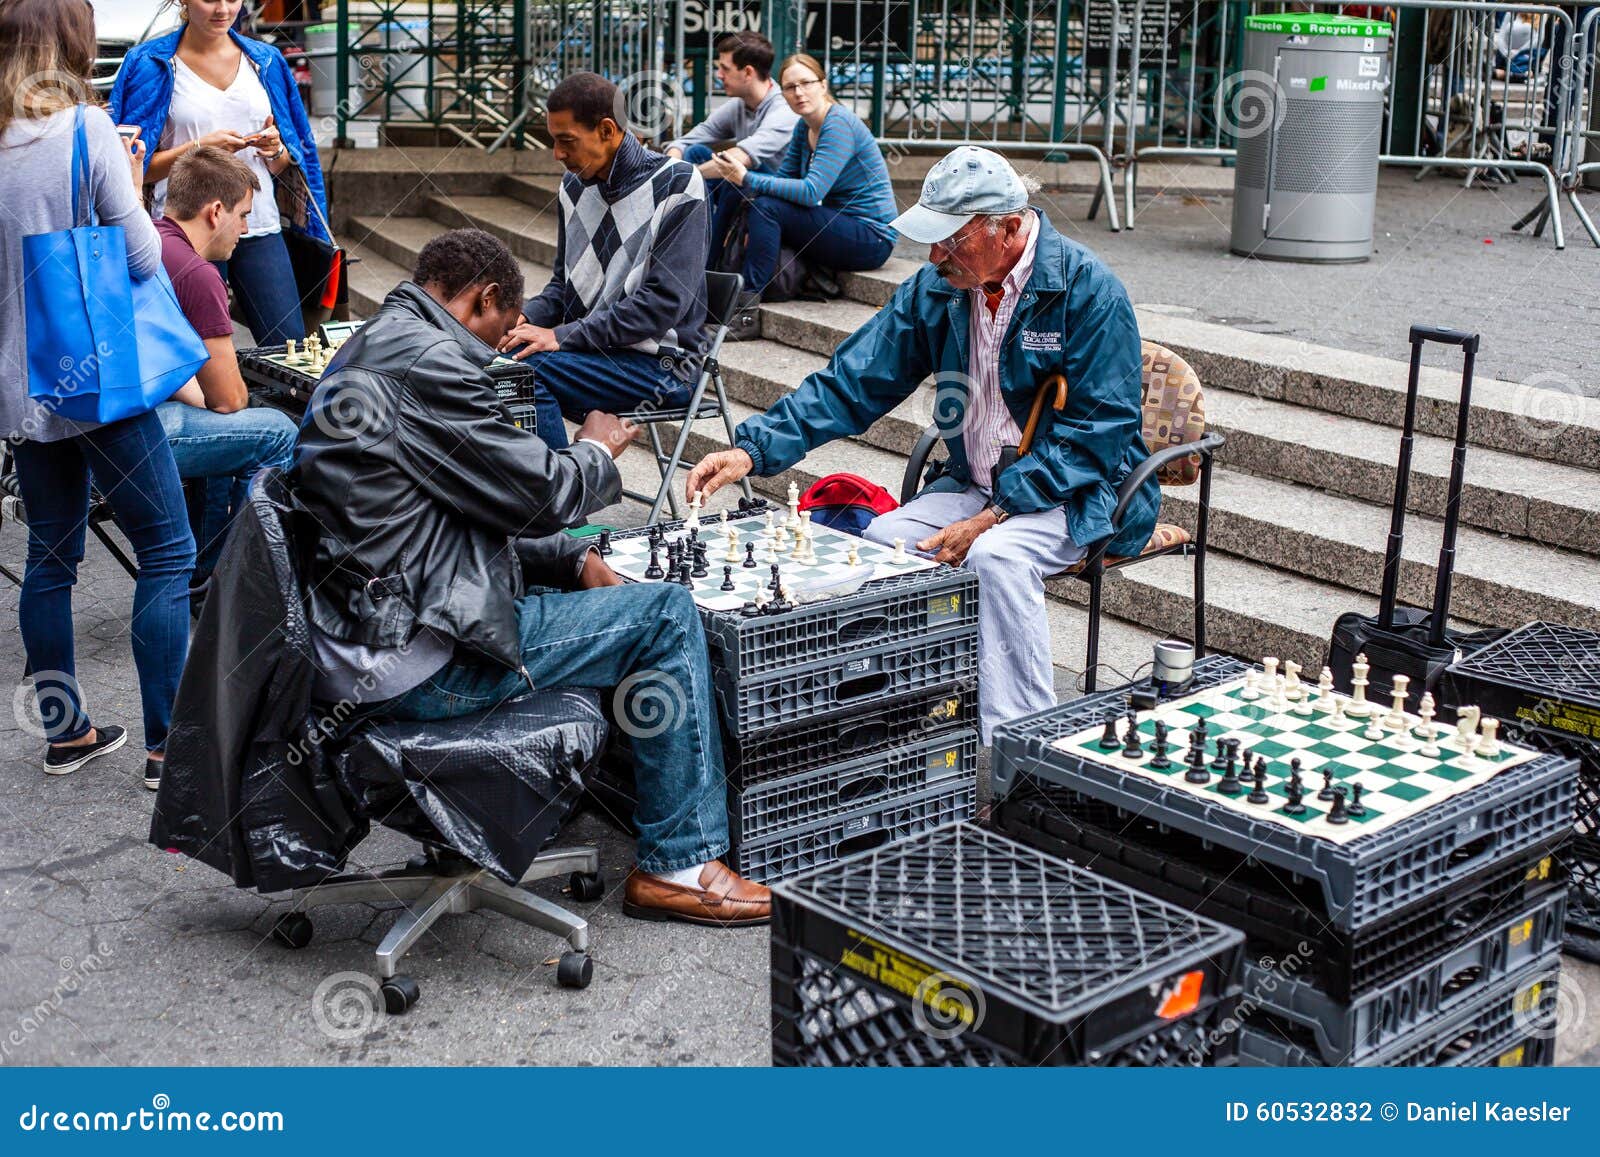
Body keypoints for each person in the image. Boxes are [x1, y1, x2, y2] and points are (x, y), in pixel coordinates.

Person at [293, 228, 770, 926]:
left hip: (365, 634)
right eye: (504, 329)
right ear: (485, 298)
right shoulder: (435, 363)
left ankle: (585, 803)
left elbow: (465, 498)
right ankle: (680, 861)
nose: (499, 349)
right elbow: (540, 492)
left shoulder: (382, 338)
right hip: (420, 660)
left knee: (580, 581)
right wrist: (597, 451)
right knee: (666, 614)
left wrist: (572, 556)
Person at [687, 147, 1159, 746]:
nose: (934, 255)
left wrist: (996, 516)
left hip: (1086, 493)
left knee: (997, 559)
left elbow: (1099, 436)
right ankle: (924, 713)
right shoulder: (941, 285)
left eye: (950, 240)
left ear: (1008, 227)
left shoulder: (1089, 292)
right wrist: (753, 448)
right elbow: (853, 379)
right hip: (982, 483)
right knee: (886, 544)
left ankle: (1026, 756)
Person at [0, 0, 195, 786]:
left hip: (22, 387)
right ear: (73, 46)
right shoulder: (86, 129)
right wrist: (131, 168)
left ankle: (67, 732)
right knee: (169, 548)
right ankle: (167, 745)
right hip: (98, 376)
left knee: (50, 558)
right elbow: (145, 258)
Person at [502, 72, 710, 449]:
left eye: (566, 141)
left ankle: (562, 495)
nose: (557, 154)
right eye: (553, 140)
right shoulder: (572, 186)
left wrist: (561, 336)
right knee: (496, 361)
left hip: (666, 368)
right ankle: (532, 490)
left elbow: (662, 306)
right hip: (596, 352)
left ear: (607, 130)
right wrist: (525, 319)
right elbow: (564, 286)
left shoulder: (679, 184)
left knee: (524, 374)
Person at [110, 0, 329, 347]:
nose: (223, 9)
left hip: (257, 224)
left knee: (289, 347)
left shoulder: (266, 61)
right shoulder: (149, 64)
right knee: (195, 355)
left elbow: (288, 162)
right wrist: (197, 148)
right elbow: (129, 166)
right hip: (186, 233)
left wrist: (277, 150)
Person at [154, 145, 297, 604]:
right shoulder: (198, 273)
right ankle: (250, 581)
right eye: (243, 215)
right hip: (142, 433)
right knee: (275, 429)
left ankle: (210, 572)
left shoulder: (152, 238)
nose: (247, 229)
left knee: (232, 431)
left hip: (105, 420)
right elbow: (230, 400)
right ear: (215, 212)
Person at [708, 53, 898, 335]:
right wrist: (743, 182)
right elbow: (785, 179)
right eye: (789, 87)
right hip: (839, 224)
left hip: (872, 238)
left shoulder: (838, 124)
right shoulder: (804, 127)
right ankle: (708, 279)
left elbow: (811, 192)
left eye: (806, 83)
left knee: (766, 205)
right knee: (741, 191)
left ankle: (745, 313)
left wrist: (748, 176)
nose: (798, 92)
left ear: (822, 85)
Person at [663, 31, 799, 264]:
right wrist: (676, 159)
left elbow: (736, 161)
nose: (719, 75)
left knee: (731, 181)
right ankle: (681, 245)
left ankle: (705, 264)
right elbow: (687, 141)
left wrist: (686, 174)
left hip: (781, 196)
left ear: (747, 72)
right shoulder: (740, 105)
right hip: (747, 184)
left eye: (725, 69)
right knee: (695, 153)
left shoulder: (782, 110)